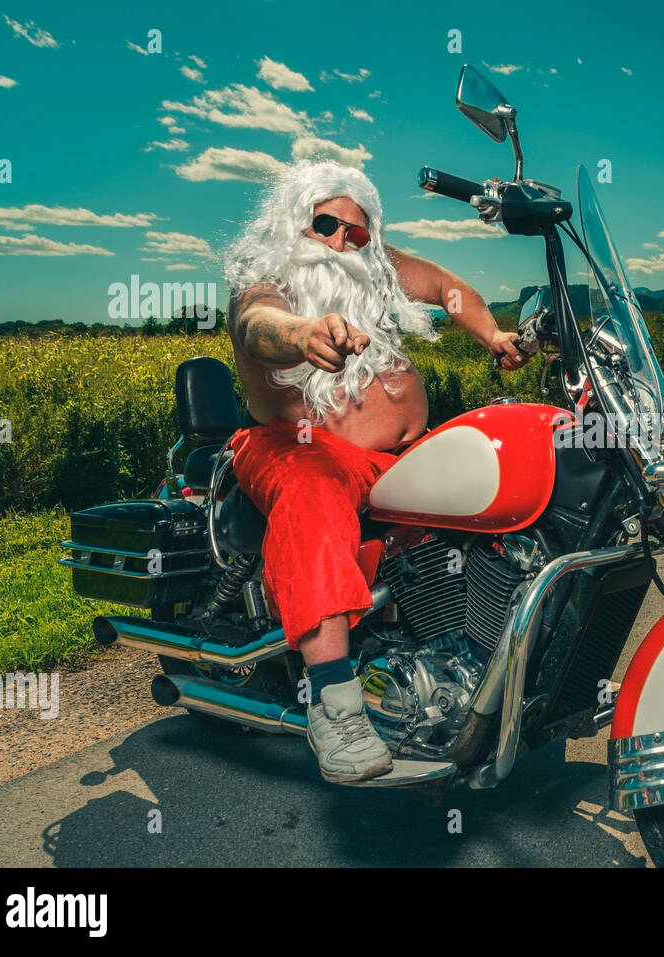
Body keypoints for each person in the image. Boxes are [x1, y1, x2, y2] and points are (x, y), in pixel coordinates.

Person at [221, 160, 529, 783]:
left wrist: (492, 333)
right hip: (300, 448)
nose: (341, 243)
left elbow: (446, 286)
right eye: (326, 224)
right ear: (295, 225)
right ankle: (334, 704)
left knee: (505, 453)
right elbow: (258, 327)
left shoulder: (380, 272)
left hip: (396, 461)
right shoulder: (268, 282)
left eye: (357, 233)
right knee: (312, 488)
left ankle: (484, 656)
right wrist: (304, 333)